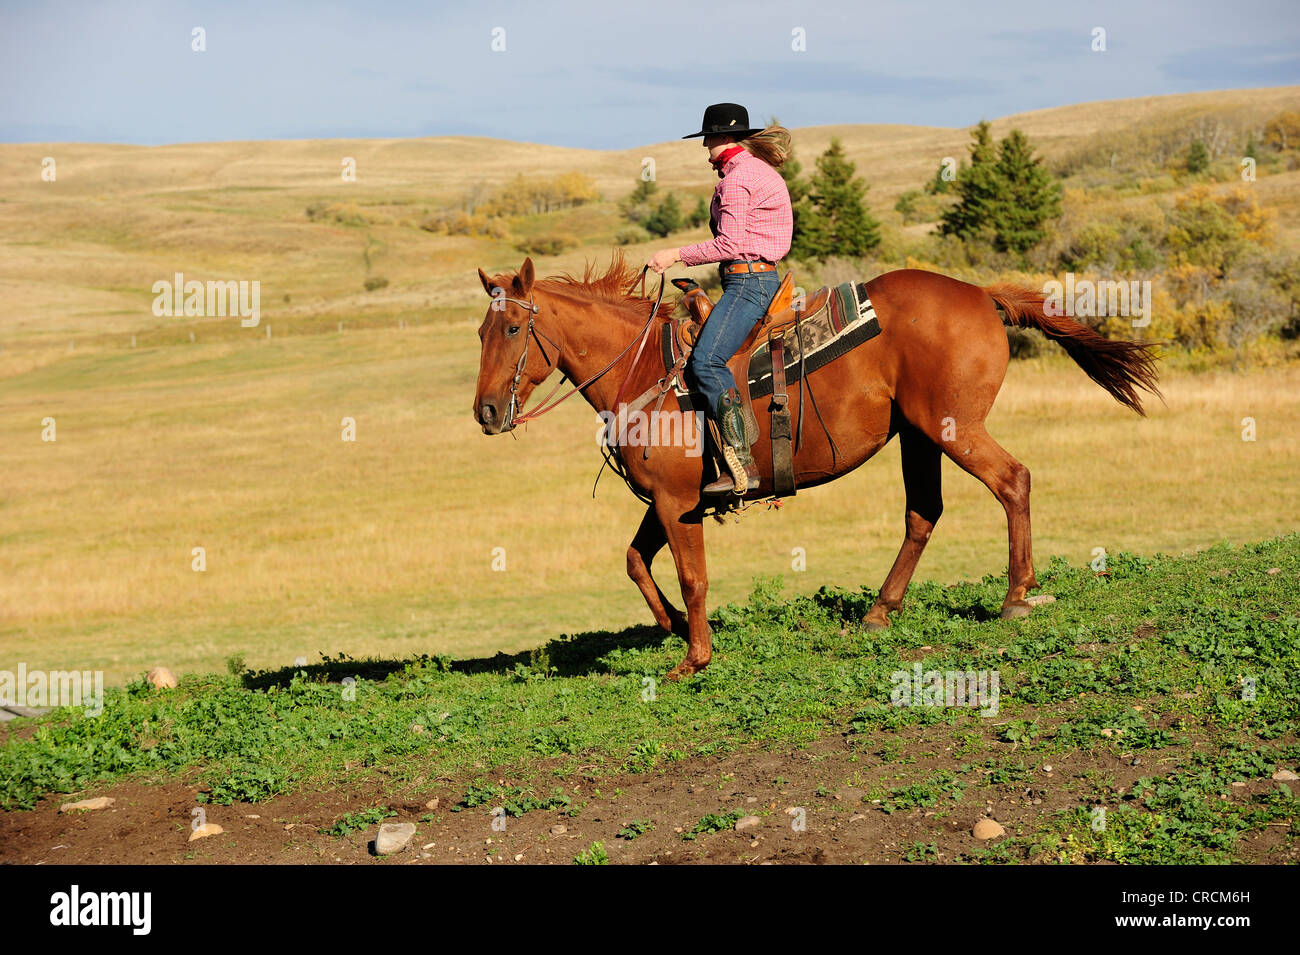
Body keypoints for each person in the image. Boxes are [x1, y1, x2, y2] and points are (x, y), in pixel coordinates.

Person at [648, 103, 794, 494]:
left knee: (707, 362)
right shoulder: (755, 171)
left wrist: (674, 255)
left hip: (750, 284)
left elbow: (728, 243)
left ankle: (742, 463)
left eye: (708, 139)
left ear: (723, 139)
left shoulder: (737, 180)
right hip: (754, 278)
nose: (705, 149)